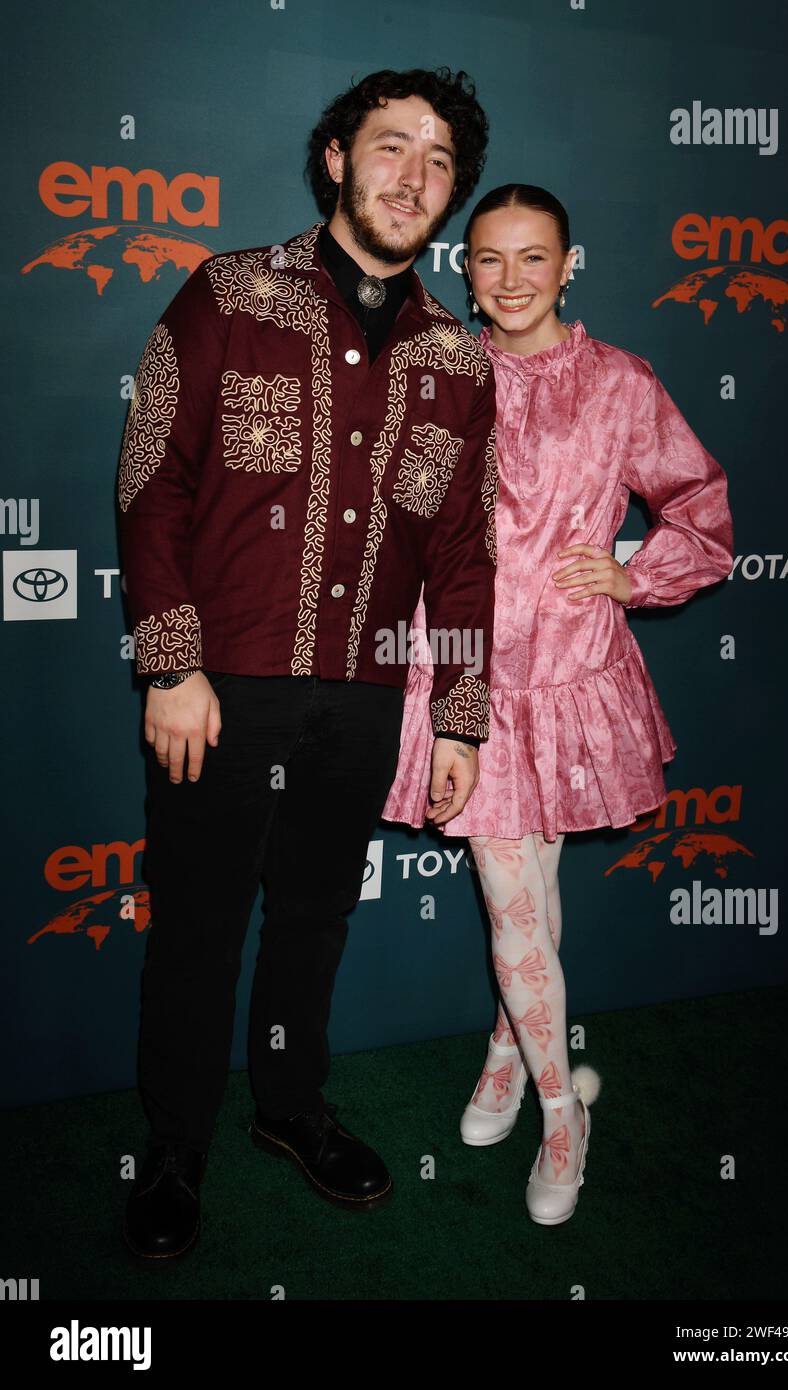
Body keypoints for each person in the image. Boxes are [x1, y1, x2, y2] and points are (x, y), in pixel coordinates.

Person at [117, 68, 499, 1259]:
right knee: (196, 925)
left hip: (366, 695)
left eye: (439, 161)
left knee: (316, 919)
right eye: (392, 147)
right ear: (336, 157)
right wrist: (172, 666)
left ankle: (287, 1107)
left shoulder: (459, 359)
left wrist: (462, 719)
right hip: (222, 691)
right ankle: (173, 1149)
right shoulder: (228, 294)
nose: (414, 177)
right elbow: (149, 481)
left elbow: (466, 550)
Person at [381, 184, 734, 1225]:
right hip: (464, 675)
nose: (512, 278)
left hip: (575, 671)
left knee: (526, 892)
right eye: (489, 258)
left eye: (535, 258)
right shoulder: (436, 374)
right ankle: (555, 1103)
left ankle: (517, 1067)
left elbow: (699, 504)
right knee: (515, 902)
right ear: (464, 267)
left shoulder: (624, 383)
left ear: (569, 265)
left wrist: (638, 574)